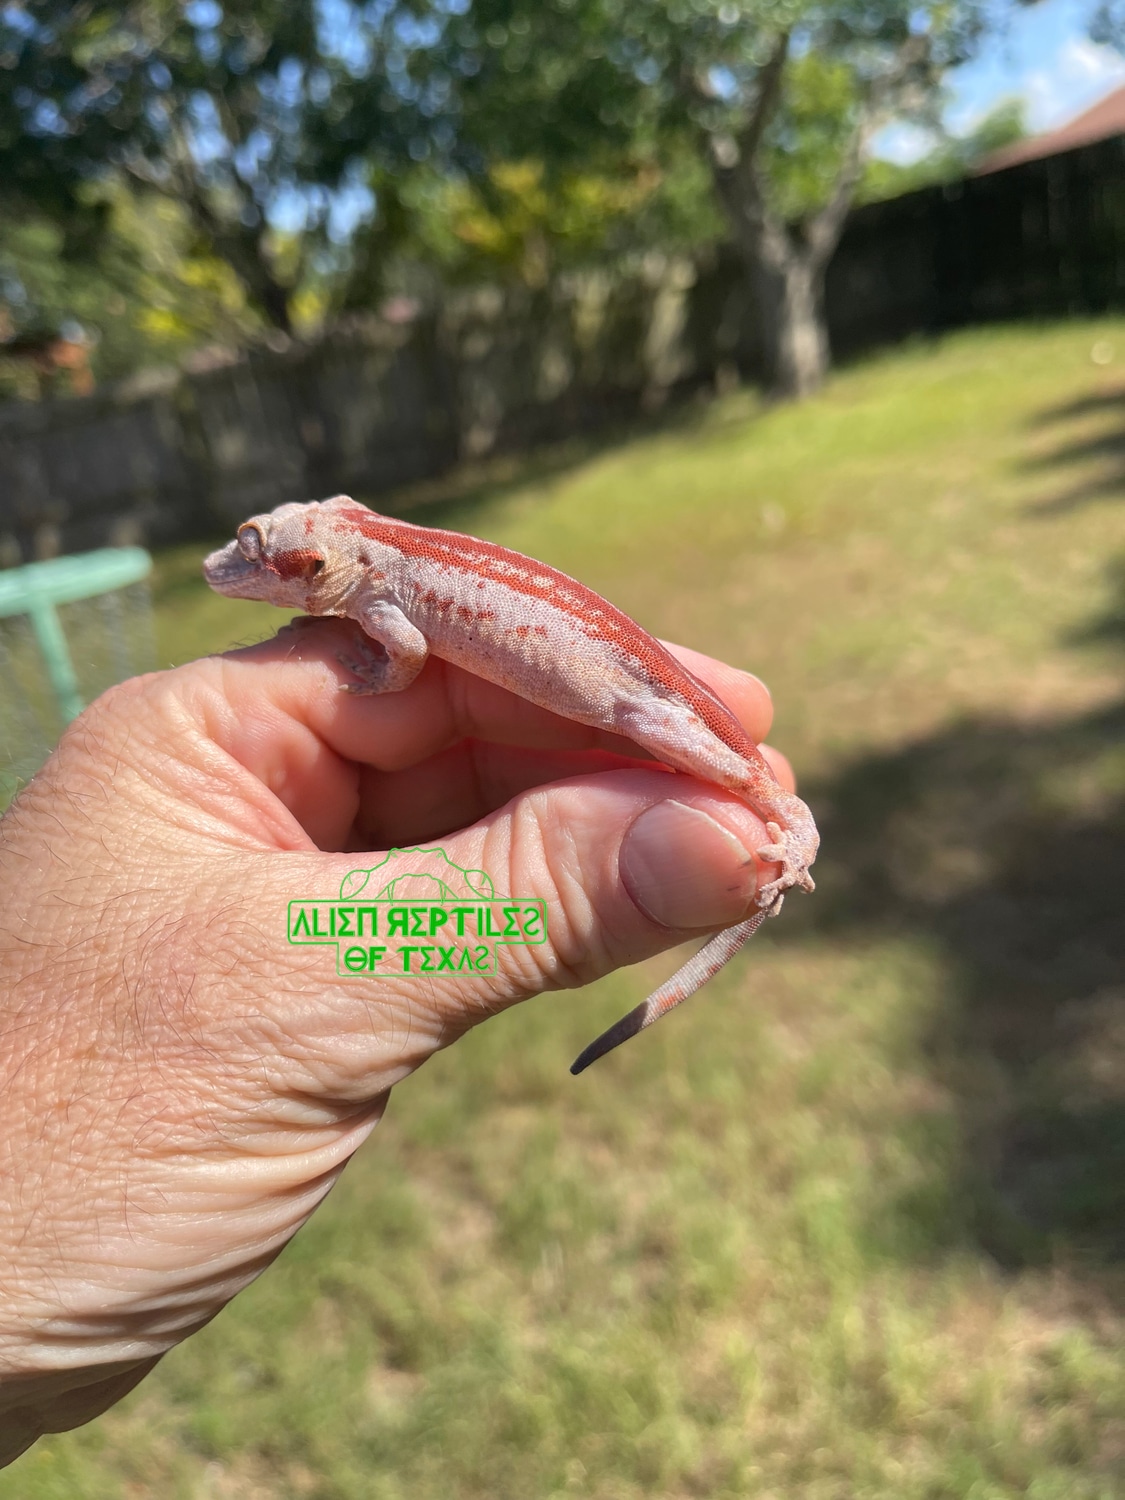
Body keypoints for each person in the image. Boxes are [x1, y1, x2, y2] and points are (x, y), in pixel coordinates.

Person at [0, 615, 797, 1468]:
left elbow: (405, 653)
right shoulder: (373, 586)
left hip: (639, 694)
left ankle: (777, 832)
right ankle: (770, 820)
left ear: (321, 564)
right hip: (618, 677)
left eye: (259, 554)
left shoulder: (378, 591)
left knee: (696, 754)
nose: (232, 570)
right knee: (681, 737)